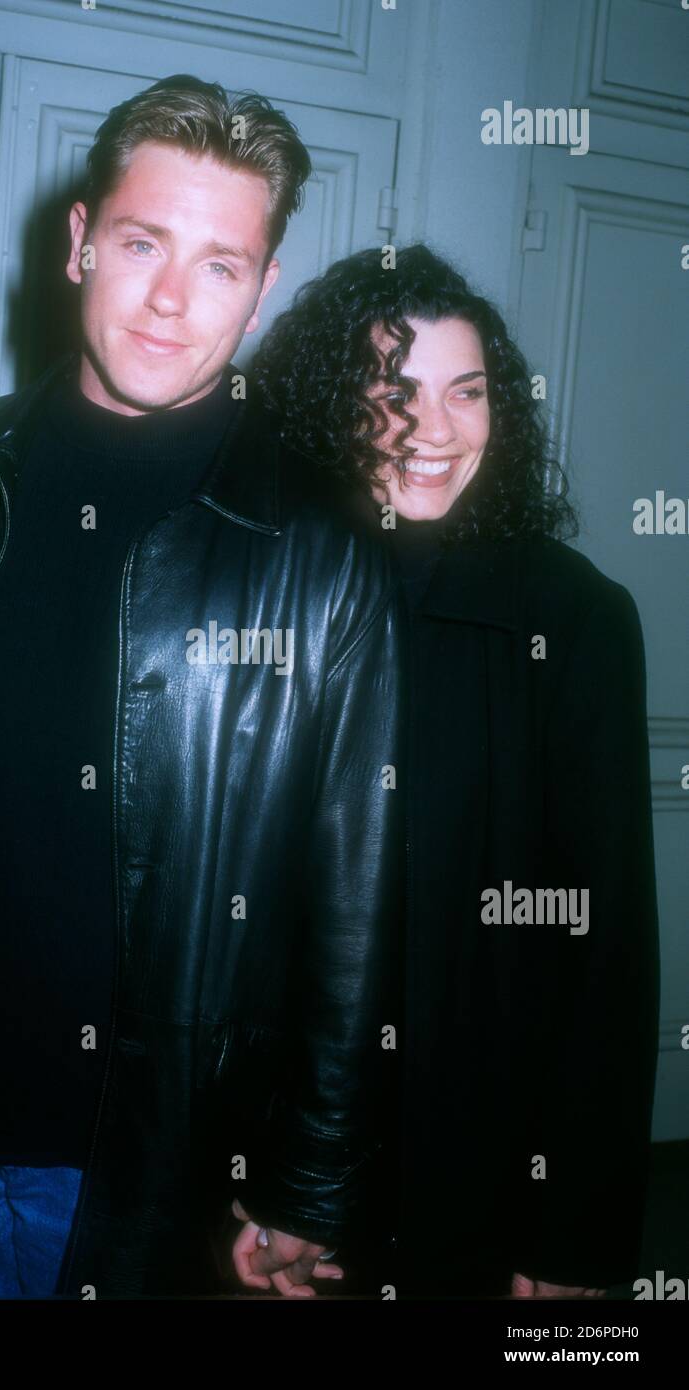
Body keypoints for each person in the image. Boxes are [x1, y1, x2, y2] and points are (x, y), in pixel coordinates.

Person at [0, 76, 406, 1300]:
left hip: (153, 1185)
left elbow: (353, 903)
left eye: (221, 264)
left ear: (265, 285)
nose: (172, 300)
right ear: (78, 242)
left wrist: (306, 1178)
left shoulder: (324, 547)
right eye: (141, 243)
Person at [249, 243, 660, 1299]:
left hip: (477, 1166)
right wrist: (250, 1180)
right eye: (393, 392)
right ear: (332, 409)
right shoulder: (267, 588)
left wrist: (574, 1228)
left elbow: (604, 946)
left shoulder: (574, 618)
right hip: (295, 1154)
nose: (432, 431)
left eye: (465, 392)